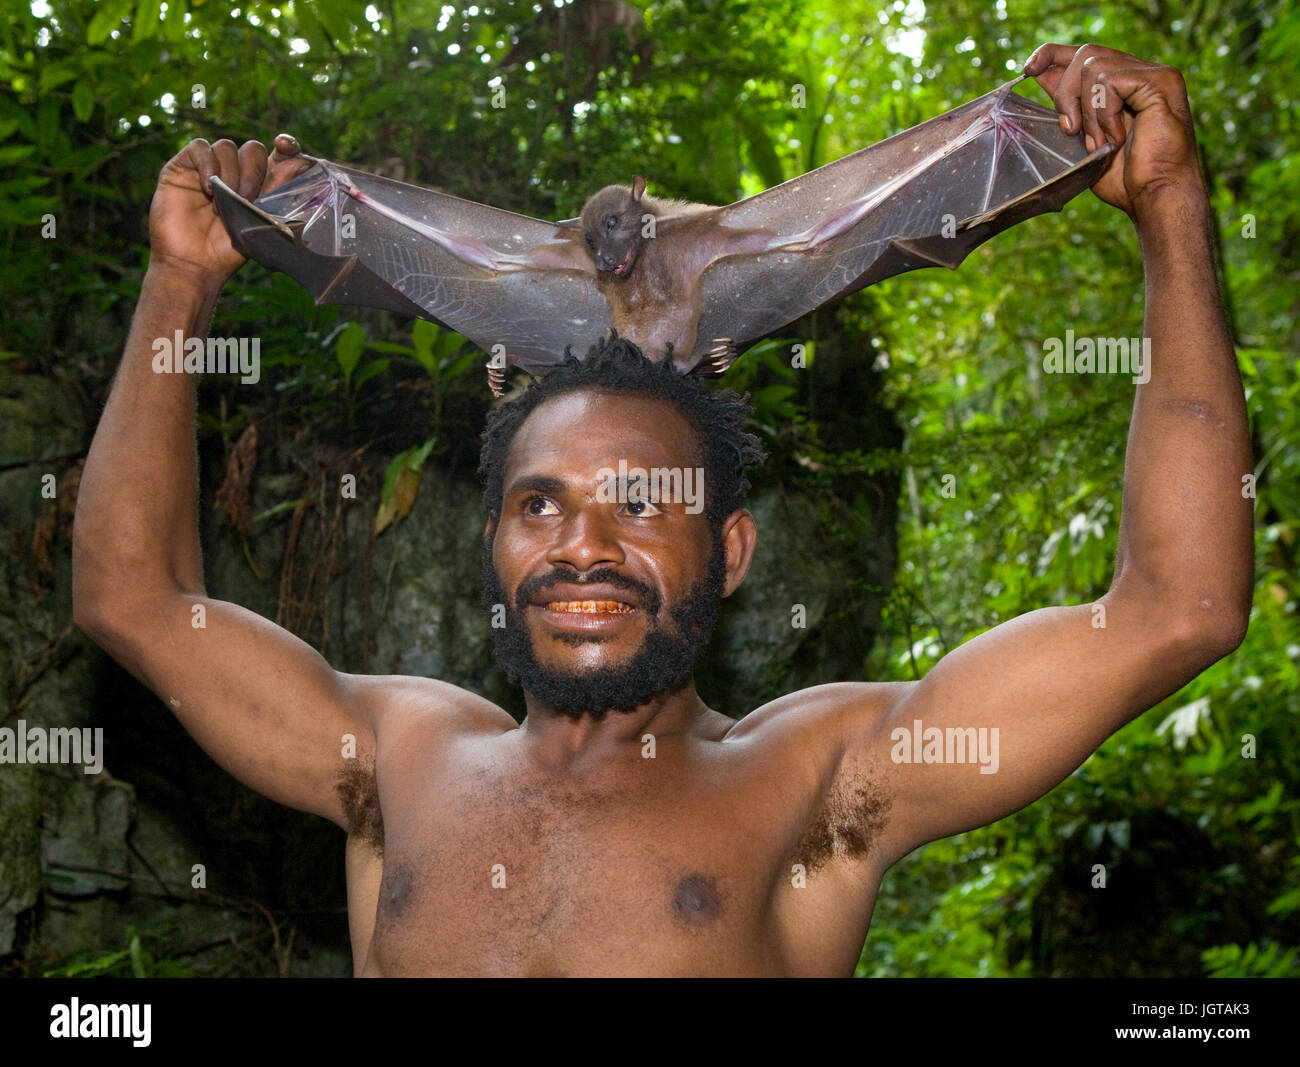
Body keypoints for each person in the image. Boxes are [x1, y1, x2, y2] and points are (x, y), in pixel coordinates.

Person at [72, 43, 1253, 977]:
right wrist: (180, 279)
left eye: (642, 503)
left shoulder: (821, 782)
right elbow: (133, 596)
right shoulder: (393, 757)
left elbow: (1175, 608)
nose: (583, 540)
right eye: (541, 503)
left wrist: (1167, 209)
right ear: (493, 542)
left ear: (729, 548)